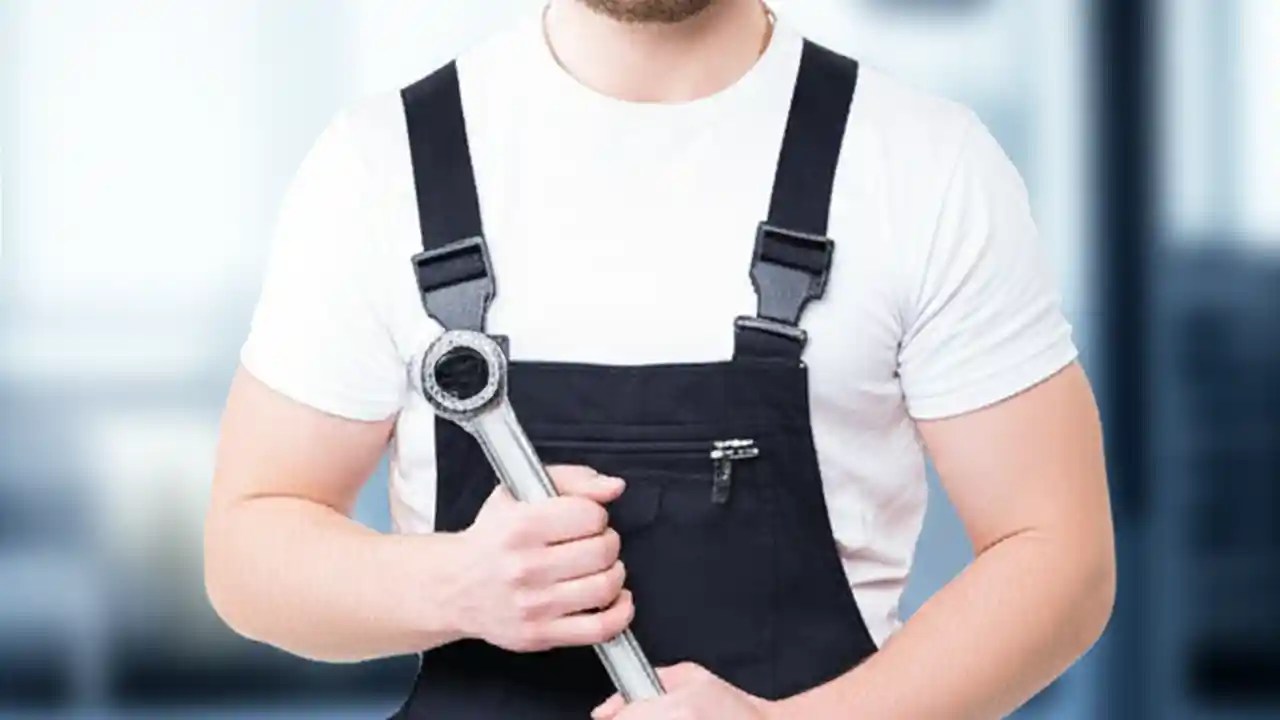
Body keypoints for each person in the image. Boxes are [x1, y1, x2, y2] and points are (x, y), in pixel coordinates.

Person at [204, 0, 1116, 717]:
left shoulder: (925, 165)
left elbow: (1060, 559)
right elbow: (248, 552)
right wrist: (456, 585)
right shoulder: (381, 167)